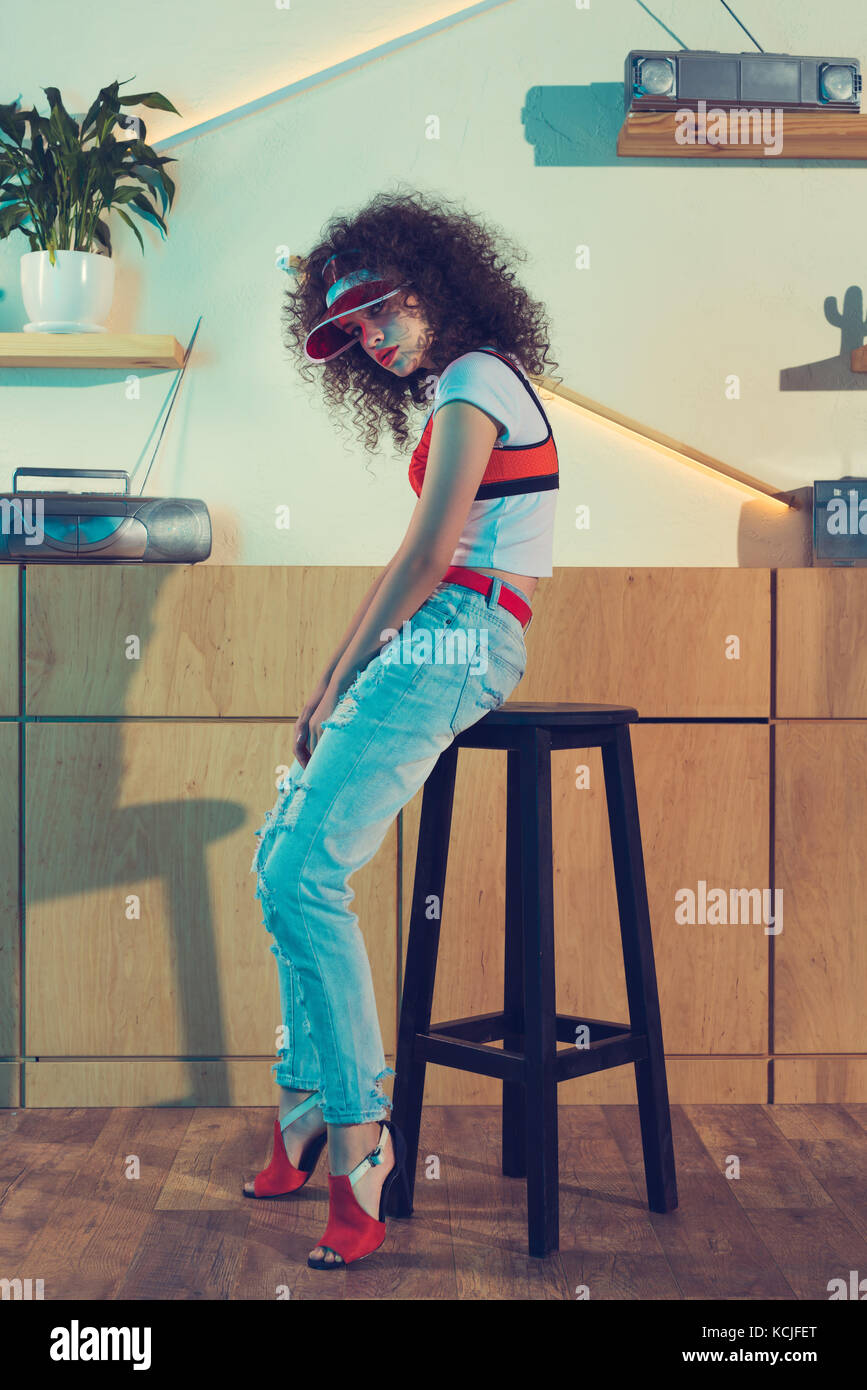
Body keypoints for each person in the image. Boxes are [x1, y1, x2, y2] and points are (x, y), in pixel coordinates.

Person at [245, 189, 560, 1269]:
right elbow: (409, 557)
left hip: (464, 631)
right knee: (278, 860)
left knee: (301, 876)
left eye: (379, 311)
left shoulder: (479, 382)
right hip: (438, 623)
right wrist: (330, 677)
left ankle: (361, 1142)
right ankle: (303, 1108)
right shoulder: (459, 393)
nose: (371, 340)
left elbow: (432, 566)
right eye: (351, 331)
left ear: (434, 282)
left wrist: (354, 674)